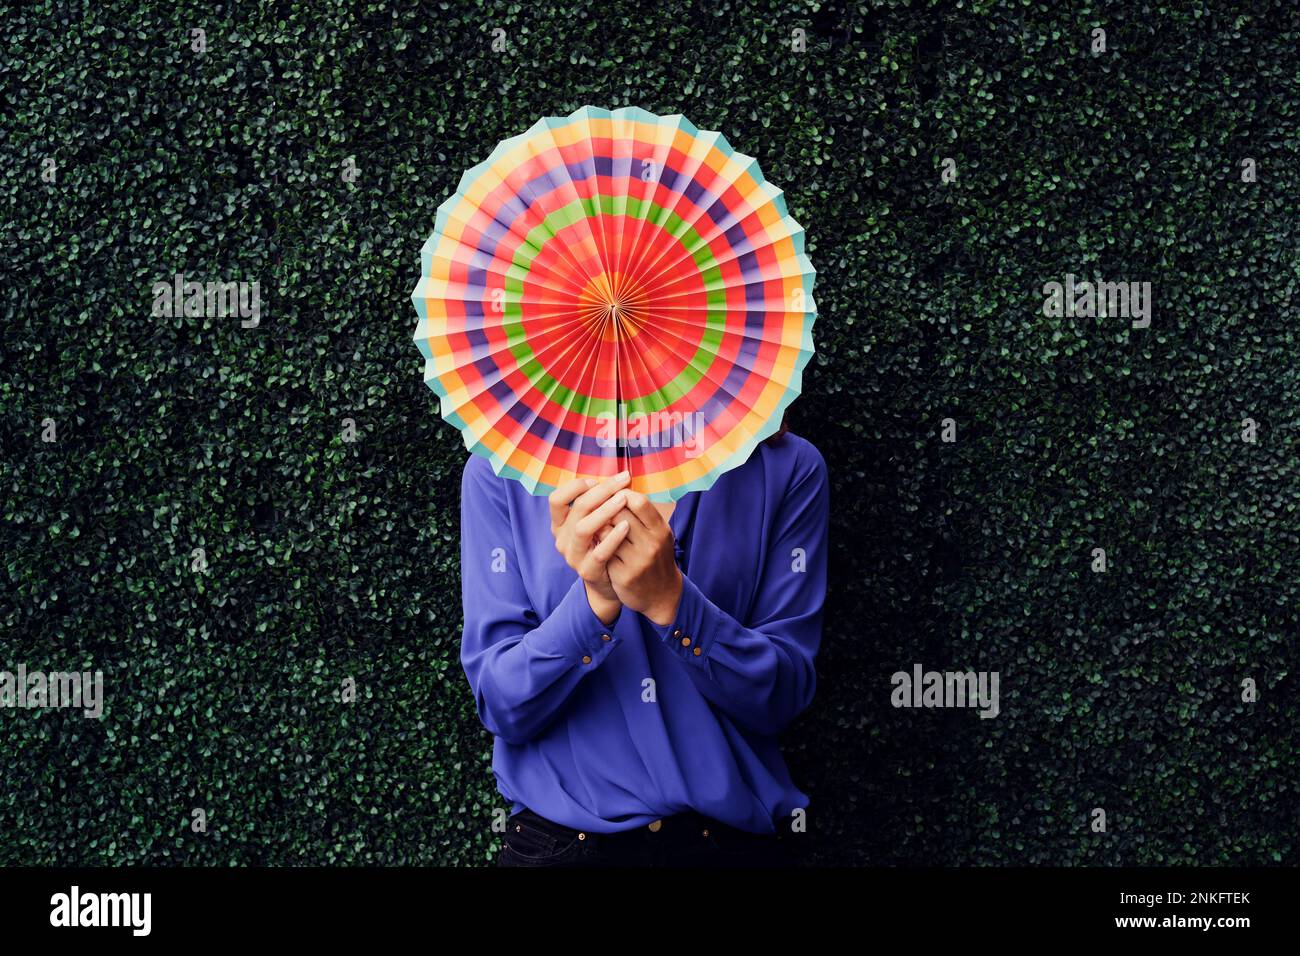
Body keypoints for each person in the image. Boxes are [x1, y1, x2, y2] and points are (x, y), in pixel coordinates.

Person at [458, 419, 830, 866]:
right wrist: (594, 602)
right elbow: (502, 703)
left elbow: (782, 696)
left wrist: (671, 602)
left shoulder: (786, 466)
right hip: (561, 847)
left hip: (726, 844)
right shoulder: (501, 470)